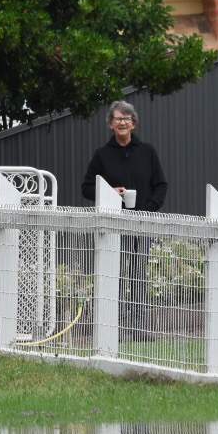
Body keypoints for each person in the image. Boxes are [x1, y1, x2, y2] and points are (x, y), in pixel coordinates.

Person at [81, 100, 167, 341]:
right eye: (118, 119)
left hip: (142, 224)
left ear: (134, 124)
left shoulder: (147, 152)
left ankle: (139, 330)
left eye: (126, 119)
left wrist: (148, 210)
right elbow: (86, 188)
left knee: (139, 276)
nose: (122, 122)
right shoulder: (102, 156)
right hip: (114, 226)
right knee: (114, 275)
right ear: (110, 124)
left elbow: (161, 185)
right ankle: (114, 327)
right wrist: (110, 191)